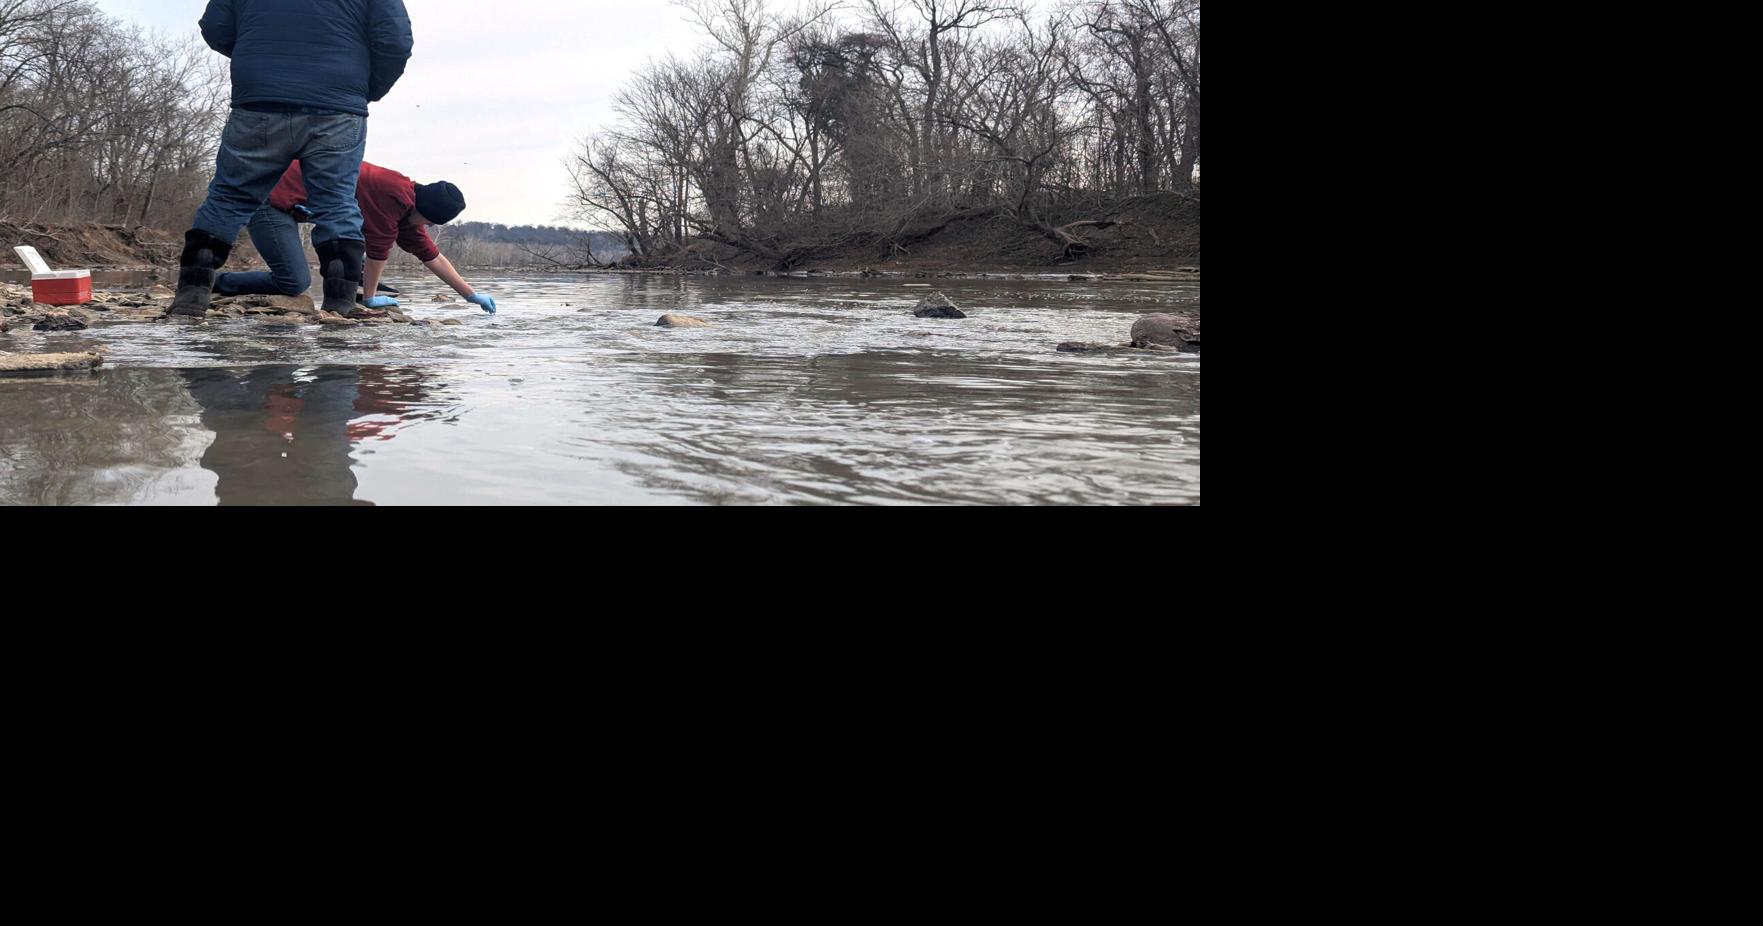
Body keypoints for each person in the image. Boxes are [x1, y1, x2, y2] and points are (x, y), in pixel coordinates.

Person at [169, 0, 413, 320]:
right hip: (338, 107)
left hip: (260, 100)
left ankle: (190, 300)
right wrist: (365, 88)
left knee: (230, 196)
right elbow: (395, 41)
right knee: (336, 203)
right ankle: (339, 307)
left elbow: (215, 27)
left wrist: (260, 60)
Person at [215, 161, 497, 315]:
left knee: (345, 256)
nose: (430, 226)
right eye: (431, 221)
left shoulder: (409, 207)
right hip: (268, 200)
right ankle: (212, 282)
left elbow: (432, 256)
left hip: (288, 206)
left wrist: (470, 295)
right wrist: (370, 298)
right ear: (424, 210)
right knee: (295, 282)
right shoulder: (393, 195)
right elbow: (378, 251)